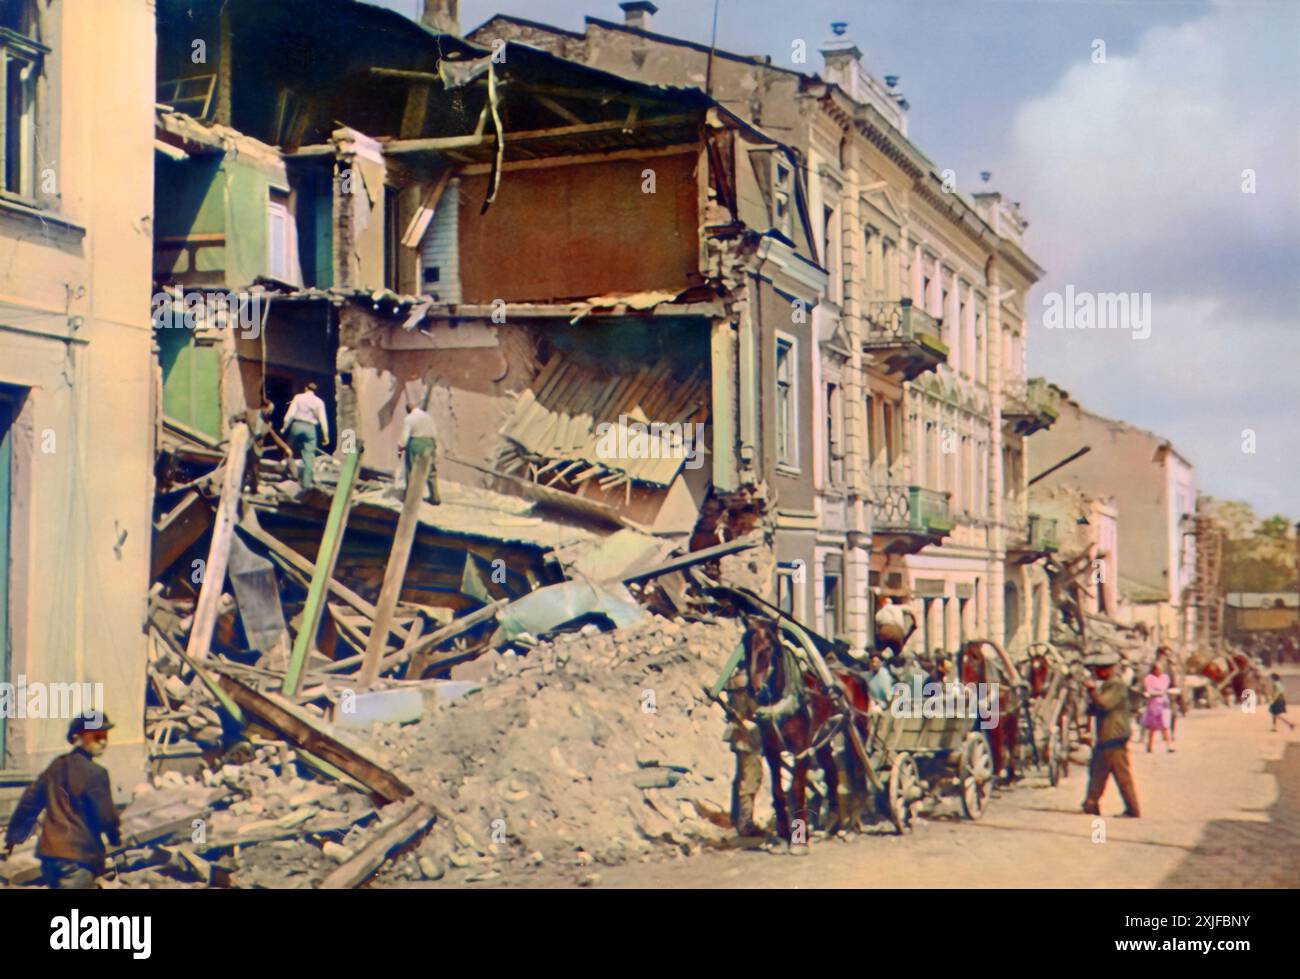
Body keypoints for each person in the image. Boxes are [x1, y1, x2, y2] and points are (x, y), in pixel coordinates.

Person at [3, 712, 122, 889]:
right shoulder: (96, 773)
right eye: (97, 736)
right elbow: (106, 818)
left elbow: (30, 802)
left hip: (50, 857)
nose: (103, 741)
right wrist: (115, 838)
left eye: (105, 736)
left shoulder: (56, 766)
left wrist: (13, 838)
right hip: (79, 857)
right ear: (78, 738)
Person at [1081, 652, 1141, 818]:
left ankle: (1132, 809)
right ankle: (1091, 804)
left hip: (1114, 736)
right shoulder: (1108, 685)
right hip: (1106, 736)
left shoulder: (1116, 685)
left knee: (1121, 776)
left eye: (1100, 669)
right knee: (1097, 771)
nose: (1097, 673)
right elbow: (1094, 709)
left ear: (1108, 669)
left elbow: (1104, 704)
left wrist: (1092, 691)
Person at [281, 382, 329, 490]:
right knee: (308, 456)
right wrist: (325, 435)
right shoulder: (319, 402)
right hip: (310, 429)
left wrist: (284, 427)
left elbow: (290, 414)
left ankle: (292, 475)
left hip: (297, 425)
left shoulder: (298, 397)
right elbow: (323, 419)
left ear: (306, 388)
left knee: (288, 450)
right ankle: (305, 485)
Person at [398, 399, 441, 505]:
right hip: (430, 443)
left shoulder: (409, 418)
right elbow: (435, 432)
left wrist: (401, 446)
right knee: (431, 470)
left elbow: (405, 436)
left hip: (416, 443)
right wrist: (435, 446)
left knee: (411, 470)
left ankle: (410, 497)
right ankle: (435, 496)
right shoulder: (428, 417)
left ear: (408, 410)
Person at [1141, 660, 1174, 753]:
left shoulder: (1165, 677)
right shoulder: (1149, 678)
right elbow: (1150, 690)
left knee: (1165, 724)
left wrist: (1159, 691)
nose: (1159, 671)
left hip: (1163, 702)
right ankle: (1150, 746)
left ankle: (1169, 746)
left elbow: (1164, 688)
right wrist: (1158, 692)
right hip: (1153, 703)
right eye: (1157, 669)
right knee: (1152, 726)